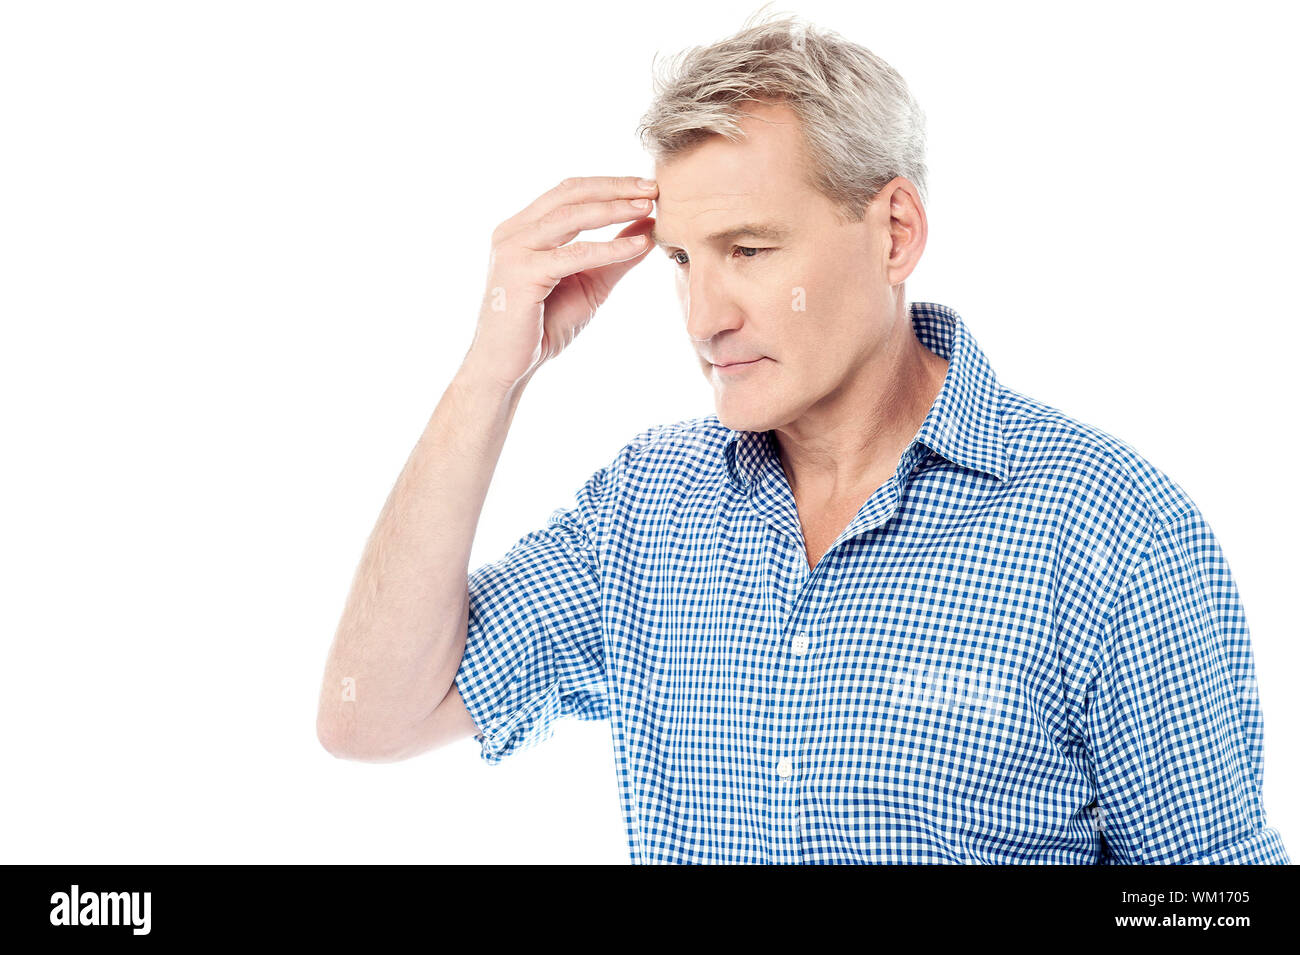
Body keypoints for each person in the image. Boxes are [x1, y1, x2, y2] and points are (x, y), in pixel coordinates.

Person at [314, 10, 1289, 865]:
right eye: (682, 261)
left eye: (748, 249)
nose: (704, 318)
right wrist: (492, 373)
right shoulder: (647, 508)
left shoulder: (1113, 532)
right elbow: (370, 715)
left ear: (894, 231)